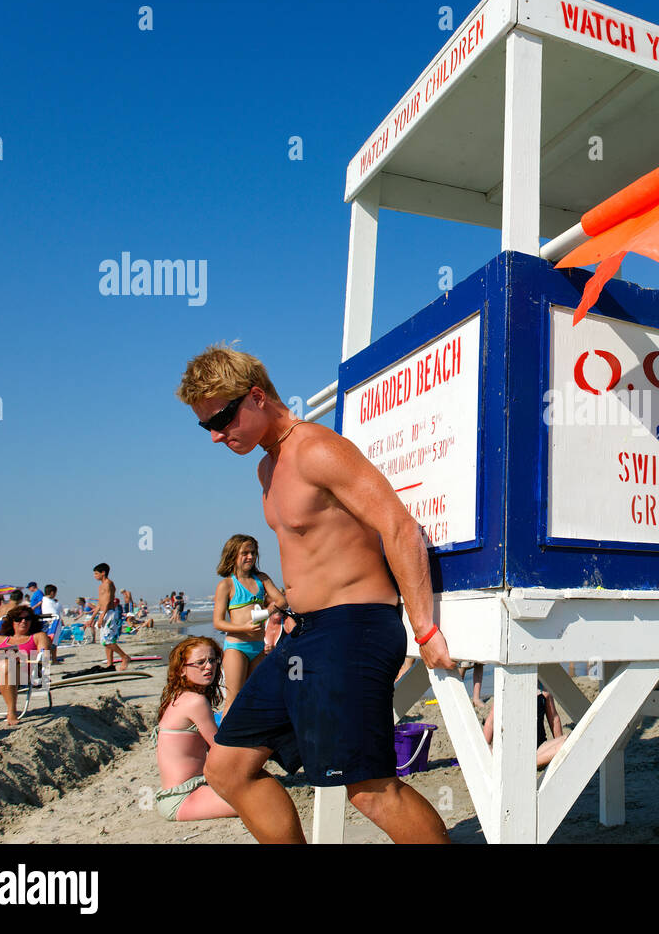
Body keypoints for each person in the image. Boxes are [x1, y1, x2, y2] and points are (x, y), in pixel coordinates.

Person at [178, 343, 454, 844]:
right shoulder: (268, 469)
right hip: (302, 635)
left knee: (368, 788)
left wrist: (425, 628)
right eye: (205, 427)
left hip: (355, 626)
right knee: (227, 768)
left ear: (257, 396)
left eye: (221, 418)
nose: (216, 436)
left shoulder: (318, 448)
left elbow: (399, 527)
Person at [153, 638, 241, 822]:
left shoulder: (177, 697)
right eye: (200, 663)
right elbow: (219, 748)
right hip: (183, 797)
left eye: (212, 660)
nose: (208, 667)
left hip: (184, 791)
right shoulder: (195, 702)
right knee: (256, 801)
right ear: (182, 669)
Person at [212, 534, 288, 719]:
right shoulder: (227, 585)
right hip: (237, 646)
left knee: (256, 696)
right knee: (234, 698)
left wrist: (265, 613)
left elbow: (281, 601)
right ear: (232, 555)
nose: (250, 557)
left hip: (258, 647)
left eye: (253, 552)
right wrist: (243, 629)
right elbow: (218, 622)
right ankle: (223, 743)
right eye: (244, 553)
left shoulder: (262, 579)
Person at [482, 684, 566, 768]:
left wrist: (558, 740)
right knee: (489, 752)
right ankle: (525, 764)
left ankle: (527, 763)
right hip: (512, 750)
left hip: (538, 748)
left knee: (568, 740)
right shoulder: (506, 691)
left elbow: (554, 719)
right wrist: (486, 746)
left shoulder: (544, 691)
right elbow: (491, 721)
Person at [91, 563, 132, 671]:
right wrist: (92, 618)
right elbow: (100, 603)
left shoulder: (108, 584)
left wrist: (102, 616)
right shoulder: (101, 586)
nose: (95, 576)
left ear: (103, 573)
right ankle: (110, 664)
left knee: (107, 640)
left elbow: (108, 601)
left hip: (109, 613)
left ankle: (125, 657)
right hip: (104, 613)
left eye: (96, 573)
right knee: (106, 640)